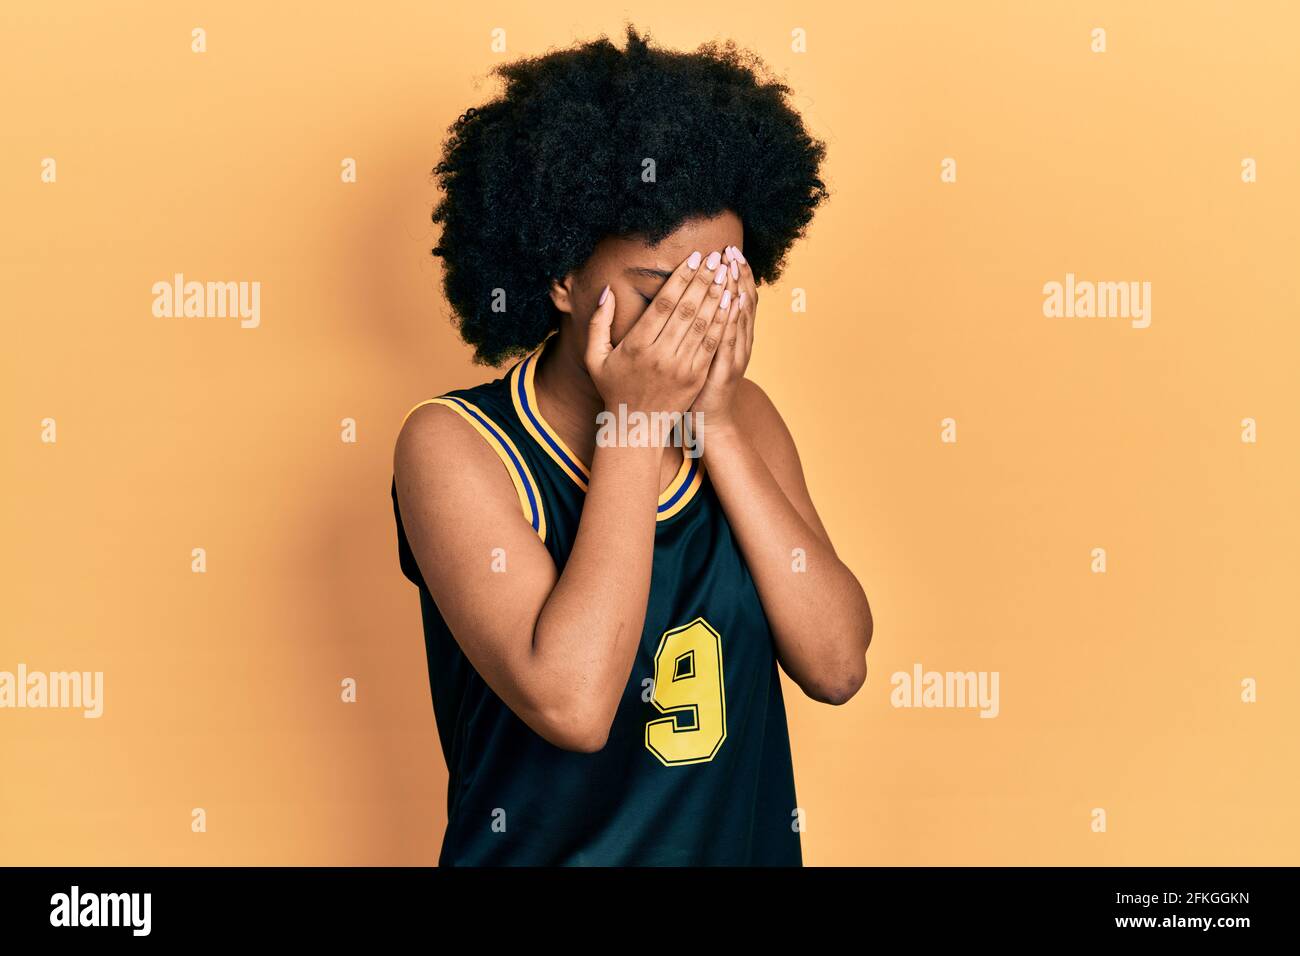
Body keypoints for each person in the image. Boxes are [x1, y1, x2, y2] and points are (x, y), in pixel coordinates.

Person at [392, 26, 872, 866]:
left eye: (719, 288)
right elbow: (572, 704)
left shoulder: (743, 417)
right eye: (660, 293)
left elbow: (837, 664)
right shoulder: (452, 446)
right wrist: (638, 422)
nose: (693, 323)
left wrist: (715, 425)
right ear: (563, 277)